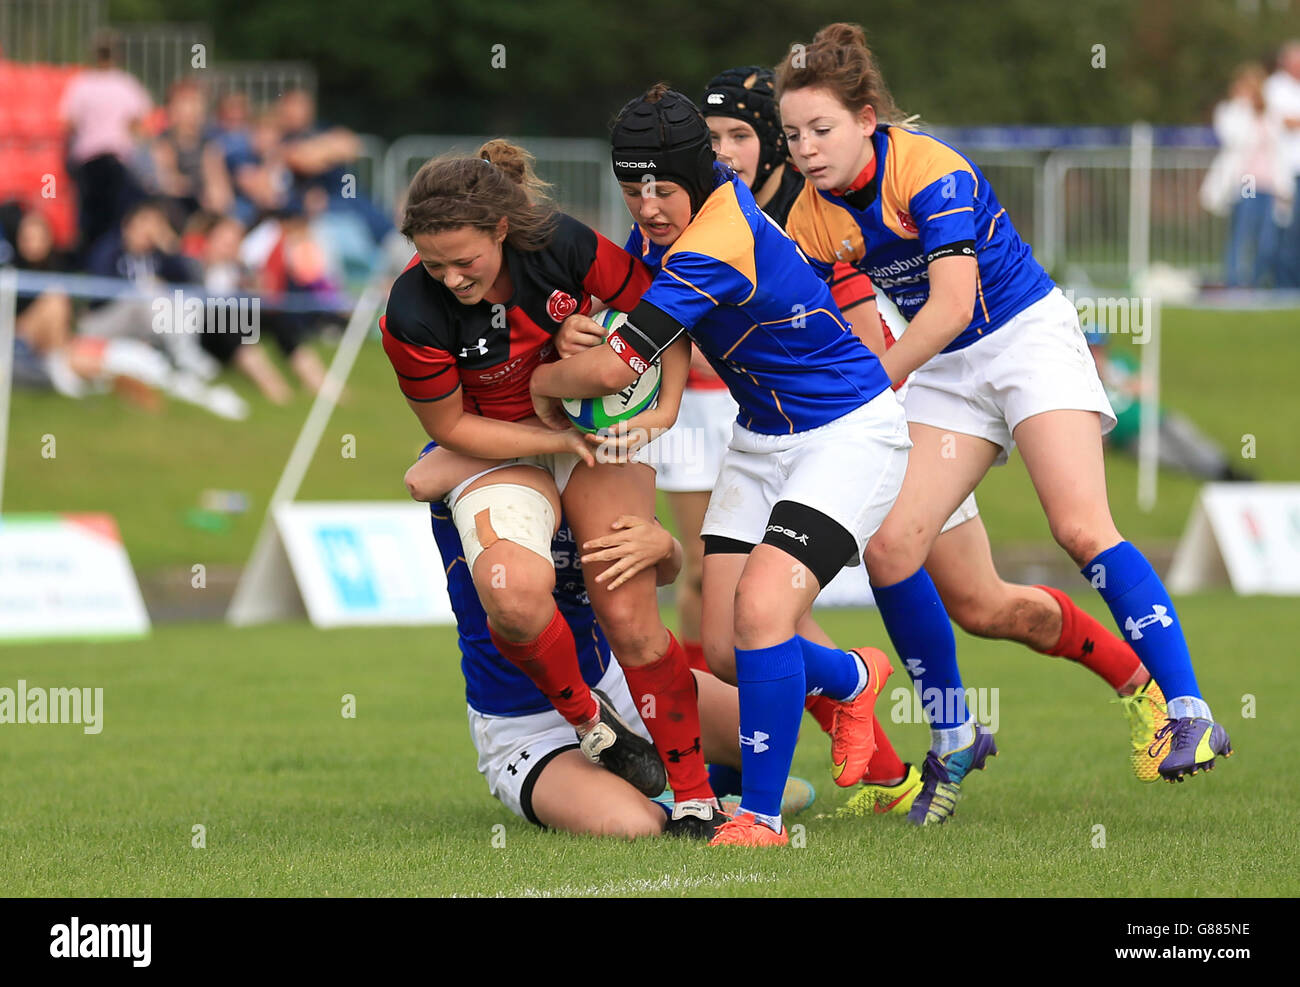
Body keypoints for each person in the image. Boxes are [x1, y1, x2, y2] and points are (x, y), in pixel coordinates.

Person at [777, 23, 1233, 820]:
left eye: (822, 129)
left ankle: (1188, 709)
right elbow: (837, 322)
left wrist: (874, 383)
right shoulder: (812, 218)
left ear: (867, 120)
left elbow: (951, 305)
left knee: (1080, 527)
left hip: (1024, 338)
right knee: (890, 548)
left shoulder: (931, 170)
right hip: (947, 368)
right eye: (793, 134)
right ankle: (954, 728)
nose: (807, 149)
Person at [694, 65, 1170, 807]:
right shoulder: (715, 213)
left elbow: (858, 332)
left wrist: (849, 402)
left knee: (975, 604)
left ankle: (1131, 684)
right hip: (802, 425)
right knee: (743, 616)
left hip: (882, 412)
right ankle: (889, 758)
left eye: (740, 136)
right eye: (713, 138)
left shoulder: (806, 204)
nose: (725, 153)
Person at [530, 85, 919, 847]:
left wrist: (542, 381)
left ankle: (760, 818)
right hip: (763, 436)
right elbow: (654, 314)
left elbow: (615, 366)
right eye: (632, 189)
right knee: (720, 641)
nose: (646, 207)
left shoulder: (716, 238)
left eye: (662, 189)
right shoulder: (680, 221)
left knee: (763, 612)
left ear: (699, 177)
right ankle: (850, 679)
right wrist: (669, 403)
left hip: (847, 433)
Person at [381, 139, 723, 837]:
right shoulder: (412, 314)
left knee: (634, 609)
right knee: (512, 588)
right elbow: (450, 431)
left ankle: (698, 791)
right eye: (432, 262)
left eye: (464, 261)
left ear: (502, 229)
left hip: (571, 429)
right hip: (510, 445)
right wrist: (557, 441)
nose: (449, 278)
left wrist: (660, 413)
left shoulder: (561, 245)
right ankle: (589, 724)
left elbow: (664, 312)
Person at [412, 440, 815, 833]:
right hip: (525, 727)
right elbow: (421, 477)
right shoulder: (477, 452)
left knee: (776, 723)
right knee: (632, 825)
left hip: (616, 690)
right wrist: (553, 438)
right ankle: (686, 804)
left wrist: (665, 547)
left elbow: (668, 569)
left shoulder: (598, 461)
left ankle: (724, 785)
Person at [1089, 332, 1251, 482]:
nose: (1096, 354)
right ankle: (1215, 475)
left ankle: (1226, 469)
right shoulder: (1085, 377)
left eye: (1099, 348)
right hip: (1129, 436)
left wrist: (1114, 380)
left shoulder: (1120, 363)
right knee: (1167, 457)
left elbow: (1148, 386)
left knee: (1191, 442)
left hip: (1156, 418)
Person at [57, 30, 151, 258]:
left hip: (89, 161)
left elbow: (69, 123)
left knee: (91, 218)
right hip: (115, 161)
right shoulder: (125, 84)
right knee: (115, 216)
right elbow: (139, 124)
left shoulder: (82, 84)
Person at [1201, 63, 1288, 287]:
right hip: (1247, 181)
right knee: (1243, 233)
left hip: (1270, 182)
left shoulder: (1270, 114)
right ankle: (1235, 282)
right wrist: (1243, 107)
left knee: (1267, 239)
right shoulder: (1231, 111)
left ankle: (1256, 282)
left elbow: (1278, 148)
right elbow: (1235, 139)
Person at [1265, 41, 1300, 287]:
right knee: (1284, 230)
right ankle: (1283, 285)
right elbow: (1284, 121)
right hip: (1280, 172)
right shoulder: (1275, 86)